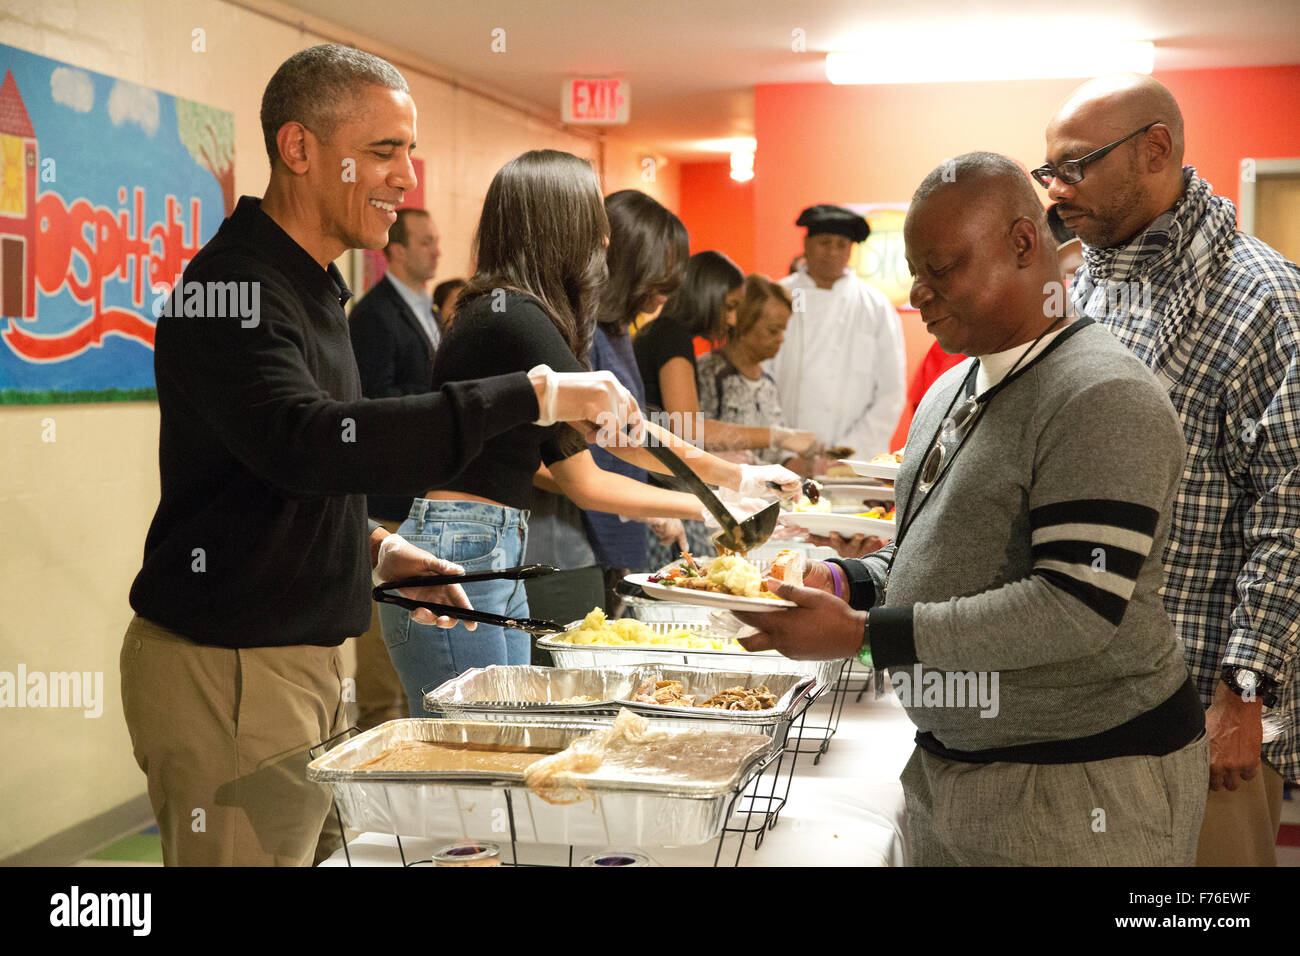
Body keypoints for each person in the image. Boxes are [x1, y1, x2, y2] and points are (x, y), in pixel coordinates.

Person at [120, 45, 642, 866]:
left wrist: (379, 548)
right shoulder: (235, 289)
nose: (406, 178)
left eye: (410, 152)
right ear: (299, 149)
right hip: (234, 669)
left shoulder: (311, 286)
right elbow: (305, 444)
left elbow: (283, 469)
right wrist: (530, 393)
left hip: (303, 663)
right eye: (383, 151)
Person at [734, 153, 1208, 866]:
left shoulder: (1101, 396)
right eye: (916, 272)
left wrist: (865, 634)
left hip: (1082, 785)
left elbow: (1072, 607)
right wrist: (841, 583)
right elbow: (932, 553)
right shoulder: (952, 388)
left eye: (943, 269)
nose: (919, 294)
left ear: (1023, 243)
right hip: (955, 770)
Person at [378, 150, 797, 714]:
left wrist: (715, 502)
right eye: (592, 223)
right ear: (557, 225)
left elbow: (587, 481)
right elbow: (621, 431)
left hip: (489, 546)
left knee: (503, 742)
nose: (603, 241)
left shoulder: (519, 316)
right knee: (472, 750)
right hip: (459, 549)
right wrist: (736, 478)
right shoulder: (512, 316)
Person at [1043, 73, 1300, 866]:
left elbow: (1290, 514)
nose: (1055, 189)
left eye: (1076, 165)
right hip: (1083, 699)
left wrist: (1242, 694)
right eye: (1046, 168)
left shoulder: (1265, 300)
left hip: (1200, 709)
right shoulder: (1086, 285)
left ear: (1156, 151)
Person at [528, 189, 692, 601]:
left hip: (596, 540)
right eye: (658, 279)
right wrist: (661, 504)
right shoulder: (576, 331)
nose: (664, 294)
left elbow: (631, 436)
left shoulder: (615, 329)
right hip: (561, 544)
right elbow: (542, 460)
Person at [634, 251, 815, 564]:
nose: (732, 320)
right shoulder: (670, 335)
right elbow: (689, 428)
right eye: (729, 307)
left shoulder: (666, 334)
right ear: (706, 296)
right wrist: (778, 436)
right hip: (659, 493)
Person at [346, 206, 444, 727]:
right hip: (385, 500)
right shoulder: (375, 315)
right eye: (425, 242)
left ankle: (410, 728)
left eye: (437, 241)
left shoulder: (426, 310)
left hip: (419, 494)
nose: (436, 250)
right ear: (397, 250)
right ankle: (376, 732)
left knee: (415, 630)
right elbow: (370, 401)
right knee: (383, 638)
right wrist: (440, 401)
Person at [773, 204, 907, 465]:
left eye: (841, 245)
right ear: (807, 244)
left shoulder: (875, 305)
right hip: (785, 462)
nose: (833, 252)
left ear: (851, 250)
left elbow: (891, 392)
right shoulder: (778, 297)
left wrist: (845, 453)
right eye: (824, 243)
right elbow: (758, 380)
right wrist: (786, 454)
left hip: (853, 462)